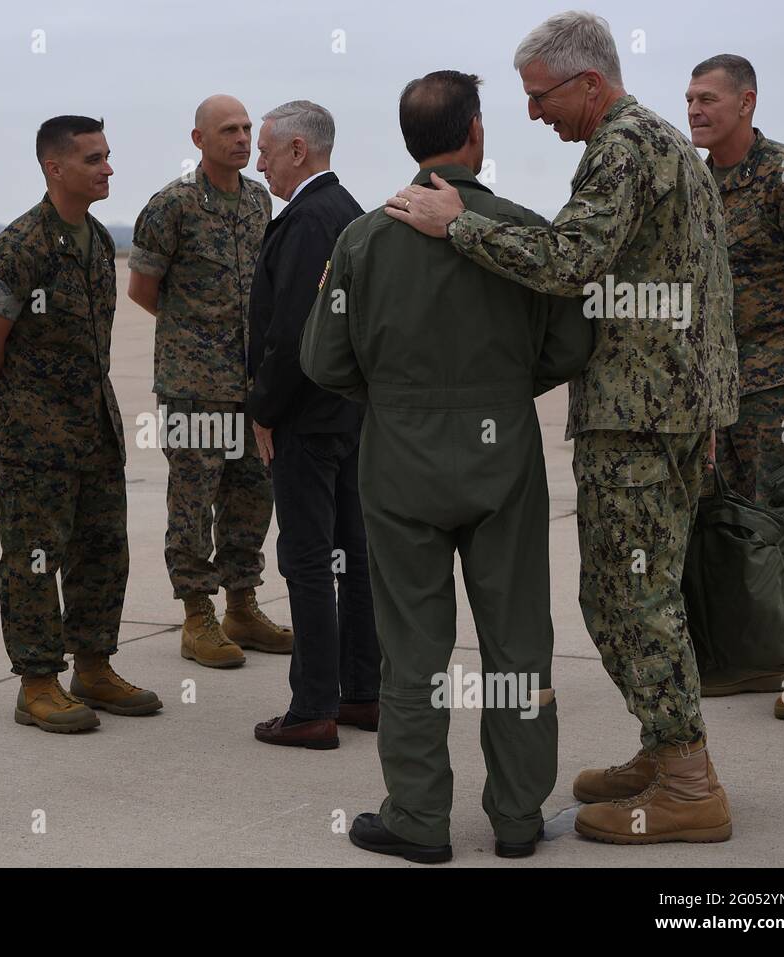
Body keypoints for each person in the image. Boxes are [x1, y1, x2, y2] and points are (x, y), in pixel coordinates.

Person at [388, 11, 740, 845]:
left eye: (542, 97)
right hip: (674, 405)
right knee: (639, 591)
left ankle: (690, 785)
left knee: (630, 595)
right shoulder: (657, 146)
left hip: (641, 413)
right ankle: (666, 749)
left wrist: (458, 226)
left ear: (589, 82)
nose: (535, 113)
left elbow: (565, 262)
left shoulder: (621, 149)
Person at [302, 71, 591, 861]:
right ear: (475, 133)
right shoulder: (519, 229)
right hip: (504, 458)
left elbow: (323, 360)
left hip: (400, 458)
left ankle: (420, 819)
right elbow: (569, 345)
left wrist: (401, 397)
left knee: (414, 645)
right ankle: (518, 817)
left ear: (408, 140)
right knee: (518, 639)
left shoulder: (361, 238)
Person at [0, 115, 162, 733]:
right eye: (93, 159)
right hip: (34, 437)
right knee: (32, 558)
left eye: (107, 156)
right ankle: (38, 682)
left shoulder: (99, 241)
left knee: (104, 550)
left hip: (94, 429)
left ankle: (95, 666)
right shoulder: (20, 246)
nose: (107, 168)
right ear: (55, 167)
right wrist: (17, 398)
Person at [686, 54, 784, 712]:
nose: (694, 110)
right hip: (720, 392)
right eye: (689, 99)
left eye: (708, 99)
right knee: (732, 525)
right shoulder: (693, 185)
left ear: (746, 103)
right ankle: (760, 653)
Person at [129, 95, 292, 668]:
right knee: (193, 501)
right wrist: (195, 338)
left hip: (251, 385)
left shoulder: (258, 200)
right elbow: (144, 291)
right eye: (229, 129)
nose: (243, 139)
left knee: (252, 495)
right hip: (194, 385)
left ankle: (242, 604)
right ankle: (196, 614)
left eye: (248, 129)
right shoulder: (171, 206)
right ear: (198, 140)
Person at [246, 100, 378, 751]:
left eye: (266, 150)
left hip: (305, 415)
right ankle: (361, 689)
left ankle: (312, 707)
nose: (258, 161)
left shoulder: (304, 220)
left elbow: (292, 331)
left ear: (298, 150)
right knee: (352, 555)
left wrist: (264, 410)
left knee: (306, 558)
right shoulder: (349, 211)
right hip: (347, 412)